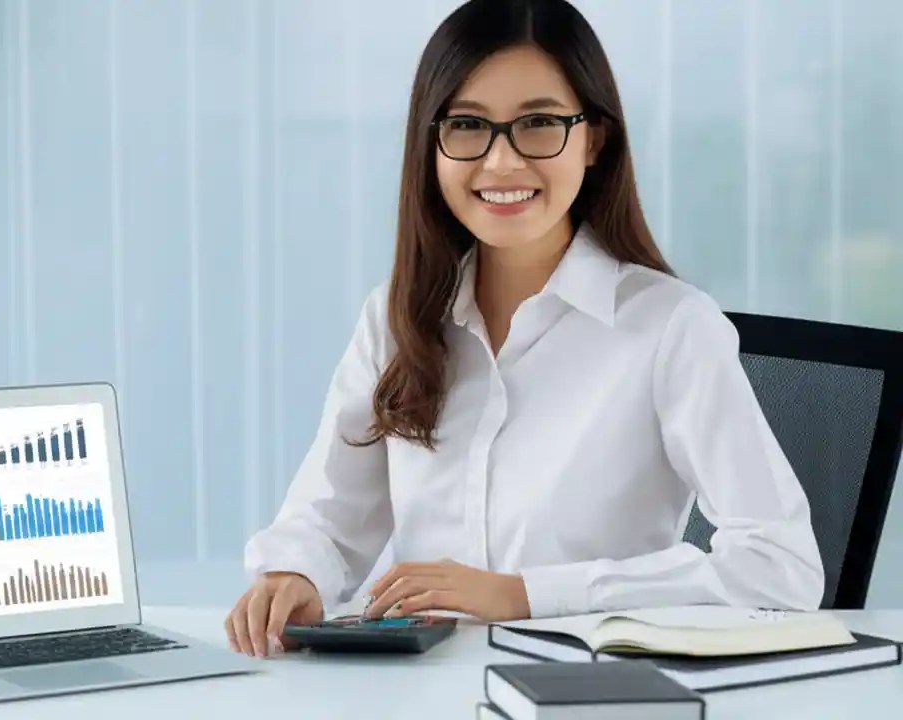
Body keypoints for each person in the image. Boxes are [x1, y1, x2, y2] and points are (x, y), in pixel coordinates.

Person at [223, 0, 825, 659]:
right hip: (421, 688)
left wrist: (524, 594)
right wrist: (295, 573)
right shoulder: (395, 319)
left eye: (538, 123)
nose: (501, 162)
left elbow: (781, 567)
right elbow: (329, 519)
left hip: (592, 687)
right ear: (431, 146)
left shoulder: (671, 327)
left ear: (593, 139)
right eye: (467, 126)